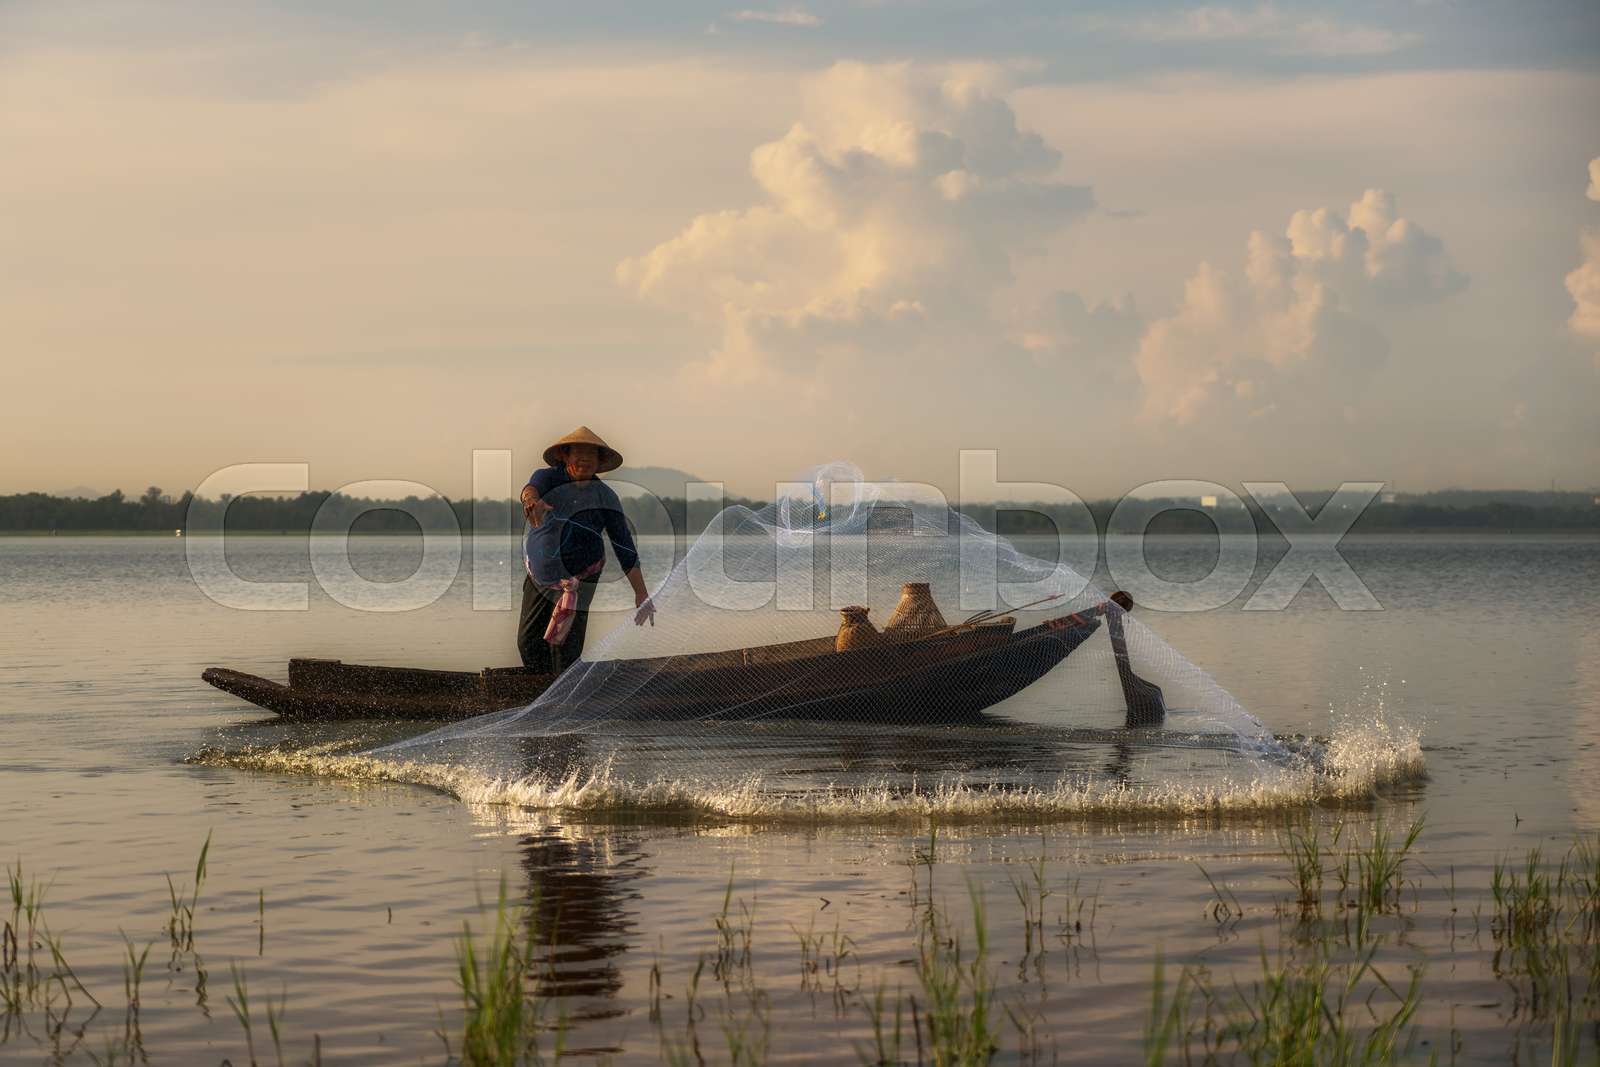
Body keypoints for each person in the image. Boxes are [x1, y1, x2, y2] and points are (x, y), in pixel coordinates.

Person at [517, 426, 655, 673]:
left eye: (592, 455)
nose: (585, 459)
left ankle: (563, 699)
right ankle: (540, 694)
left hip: (581, 578)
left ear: (600, 462)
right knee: (528, 643)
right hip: (540, 576)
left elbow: (623, 545)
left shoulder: (605, 496)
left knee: (565, 649)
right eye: (579, 452)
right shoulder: (548, 478)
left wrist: (641, 594)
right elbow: (530, 488)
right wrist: (530, 501)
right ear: (564, 456)